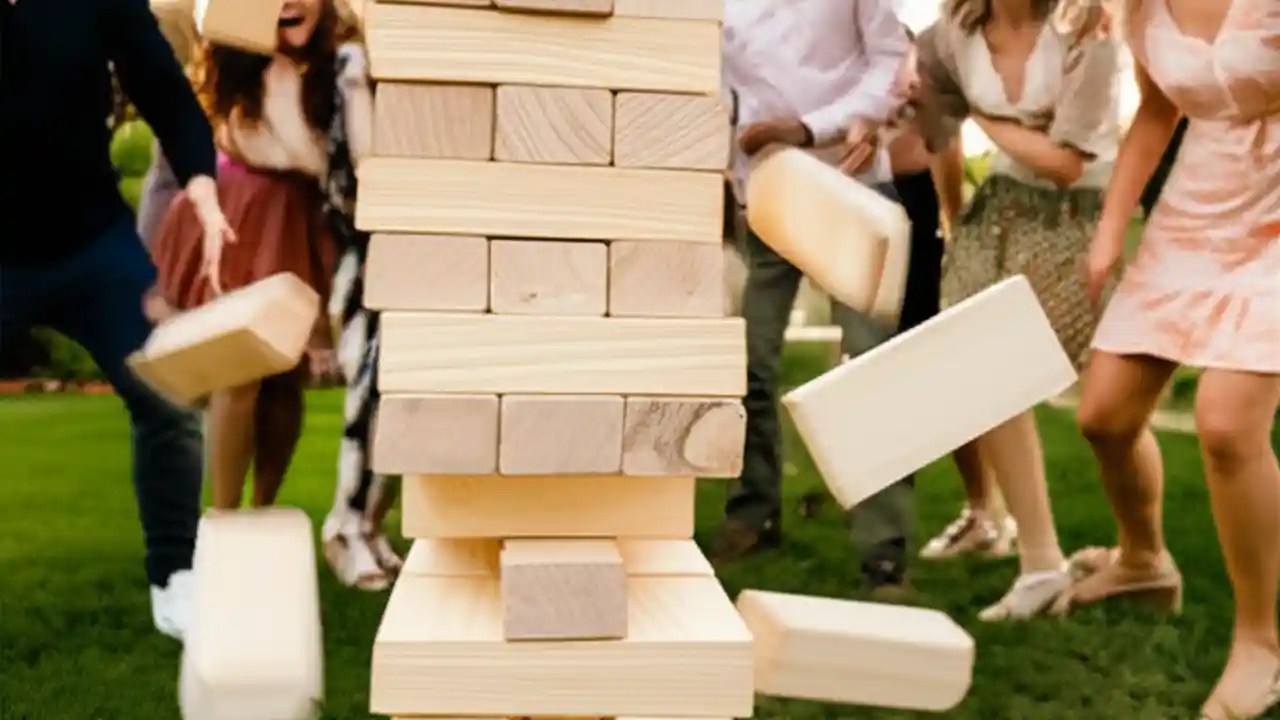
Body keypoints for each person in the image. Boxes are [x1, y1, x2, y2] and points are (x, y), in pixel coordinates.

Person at [1066, 1, 1279, 717]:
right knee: (1104, 416)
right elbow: (1156, 110)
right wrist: (1109, 229)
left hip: (1276, 215)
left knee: (1227, 425)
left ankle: (1260, 644)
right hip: (1197, 206)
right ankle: (1142, 561)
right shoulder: (1140, 11)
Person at [0, 0, 231, 640]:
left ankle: (175, 576)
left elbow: (162, 86)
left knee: (168, 392)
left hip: (91, 246)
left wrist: (203, 190)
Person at [915, 0, 1121, 620]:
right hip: (1001, 208)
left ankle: (1143, 553)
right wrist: (953, 215)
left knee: (1112, 401)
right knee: (983, 375)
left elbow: (1065, 164)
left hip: (1078, 215)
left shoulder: (1088, 28)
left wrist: (979, 112)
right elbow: (935, 124)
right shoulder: (955, 32)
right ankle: (1035, 558)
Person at [711, 0, 918, 599]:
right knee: (746, 365)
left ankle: (884, 551)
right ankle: (753, 514)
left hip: (850, 193)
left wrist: (808, 129)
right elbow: (718, 86)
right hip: (767, 198)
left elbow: (888, 63)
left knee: (870, 371)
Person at [150, 0, 348, 511]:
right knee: (240, 371)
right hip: (245, 211)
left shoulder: (336, 65)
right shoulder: (247, 65)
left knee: (284, 379)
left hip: (295, 216)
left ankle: (261, 507)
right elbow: (309, 154)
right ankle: (224, 512)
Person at [886, 23, 1020, 563]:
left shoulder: (907, 44)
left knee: (933, 361)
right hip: (859, 205)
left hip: (912, 209)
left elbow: (943, 136)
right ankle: (967, 512)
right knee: (884, 367)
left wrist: (951, 217)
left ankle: (986, 511)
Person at [317, 13, 406, 591]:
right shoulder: (349, 69)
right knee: (368, 398)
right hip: (366, 254)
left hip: (409, 250)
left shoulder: (378, 67)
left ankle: (372, 525)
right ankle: (344, 527)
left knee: (404, 399)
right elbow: (364, 172)